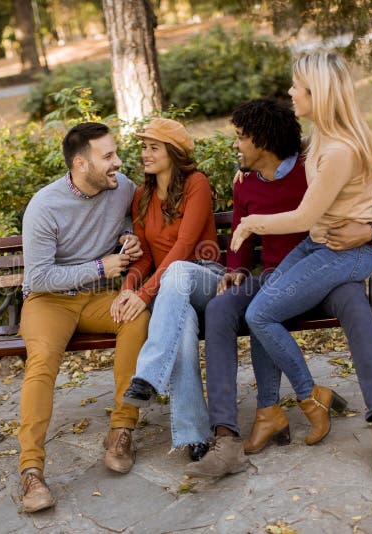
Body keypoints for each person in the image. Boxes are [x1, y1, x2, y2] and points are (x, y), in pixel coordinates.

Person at [187, 58, 372, 482]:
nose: (290, 94)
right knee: (222, 309)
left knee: (355, 307)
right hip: (288, 268)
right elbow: (241, 234)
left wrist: (370, 232)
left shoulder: (321, 157)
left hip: (335, 264)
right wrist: (234, 266)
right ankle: (228, 436)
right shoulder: (252, 175)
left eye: (297, 87)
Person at [17, 122, 149, 513]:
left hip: (97, 299)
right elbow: (37, 276)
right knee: (41, 365)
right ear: (80, 163)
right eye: (107, 156)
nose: (118, 163)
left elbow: (131, 223)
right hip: (48, 301)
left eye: (116, 154)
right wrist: (98, 266)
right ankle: (31, 472)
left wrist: (129, 236)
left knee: (134, 317)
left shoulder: (121, 187)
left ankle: (122, 430)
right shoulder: (44, 206)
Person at [113, 118, 222, 461]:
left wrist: (145, 295)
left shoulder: (196, 184)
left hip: (205, 278)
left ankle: (147, 375)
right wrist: (128, 289)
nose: (145, 153)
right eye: (143, 147)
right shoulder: (142, 196)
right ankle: (195, 434)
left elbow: (186, 246)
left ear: (174, 152)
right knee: (182, 328)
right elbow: (143, 258)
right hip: (171, 294)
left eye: (153, 147)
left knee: (175, 271)